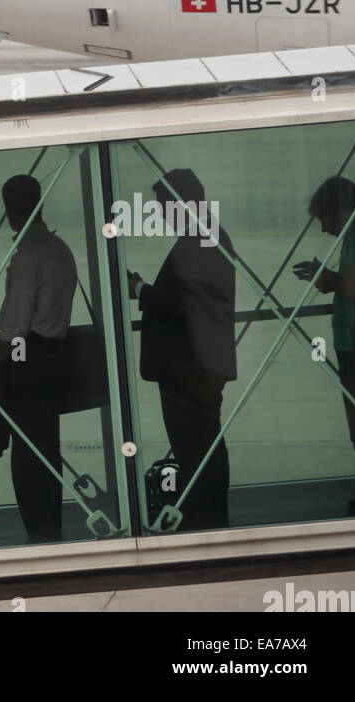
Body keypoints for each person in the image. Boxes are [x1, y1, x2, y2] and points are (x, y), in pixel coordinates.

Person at [127, 169, 236, 532]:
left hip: (189, 368)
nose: (162, 214)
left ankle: (208, 521)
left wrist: (140, 288)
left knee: (198, 449)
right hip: (194, 366)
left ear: (181, 203)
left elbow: (186, 307)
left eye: (164, 206)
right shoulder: (205, 236)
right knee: (199, 448)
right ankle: (209, 517)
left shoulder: (201, 239)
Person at [0, 174, 77, 544]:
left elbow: (15, 330)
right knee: (47, 452)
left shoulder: (28, 255)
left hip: (30, 362)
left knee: (27, 458)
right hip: (55, 359)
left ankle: (38, 535)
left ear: (8, 211)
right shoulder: (58, 248)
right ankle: (50, 529)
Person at [294, 176, 355, 458]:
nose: (323, 228)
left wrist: (329, 280)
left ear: (340, 211)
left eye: (324, 219)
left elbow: (353, 288)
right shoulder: (349, 239)